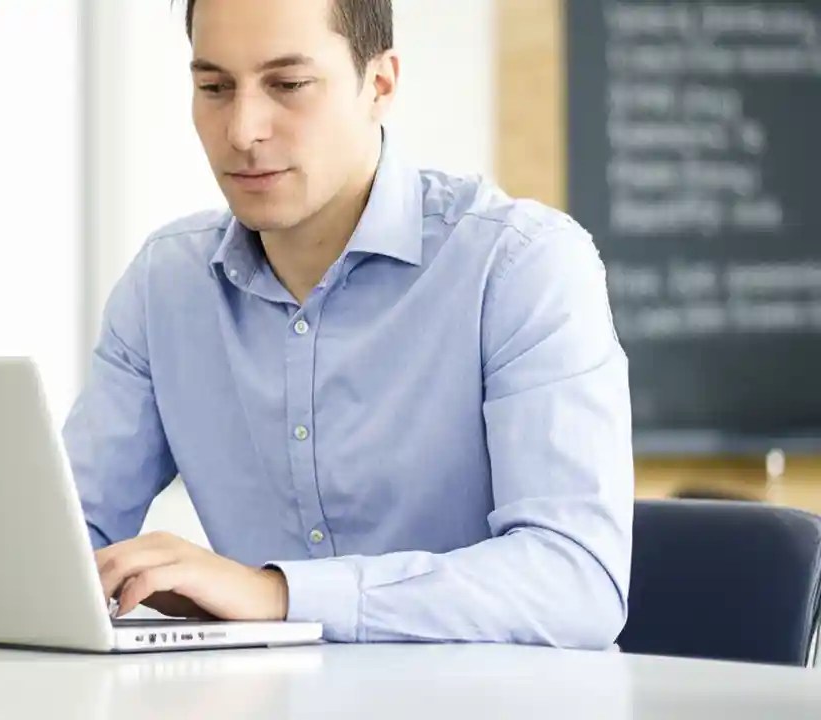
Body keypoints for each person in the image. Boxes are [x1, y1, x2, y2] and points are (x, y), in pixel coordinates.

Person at [62, 0, 633, 647]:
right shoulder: (165, 284)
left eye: (288, 84)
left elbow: (576, 582)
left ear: (380, 84)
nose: (243, 130)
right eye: (214, 87)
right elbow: (61, 543)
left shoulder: (522, 265)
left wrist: (280, 595)